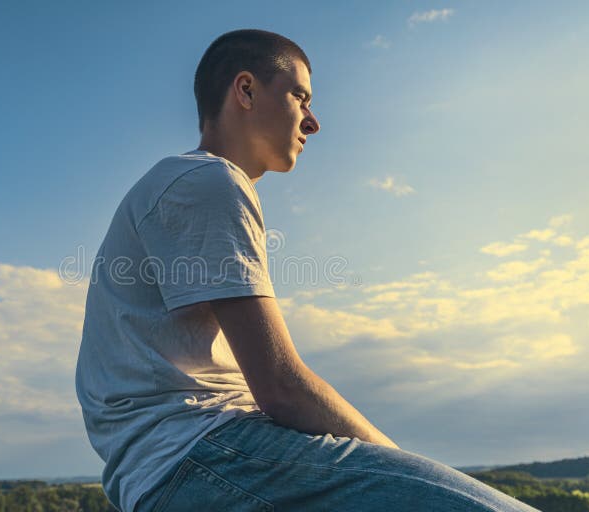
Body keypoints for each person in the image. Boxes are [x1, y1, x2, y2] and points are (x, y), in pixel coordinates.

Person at [75, 29, 539, 512]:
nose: (313, 122)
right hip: (203, 455)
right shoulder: (209, 181)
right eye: (300, 97)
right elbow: (281, 387)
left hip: (168, 471)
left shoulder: (180, 183)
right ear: (246, 90)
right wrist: (400, 466)